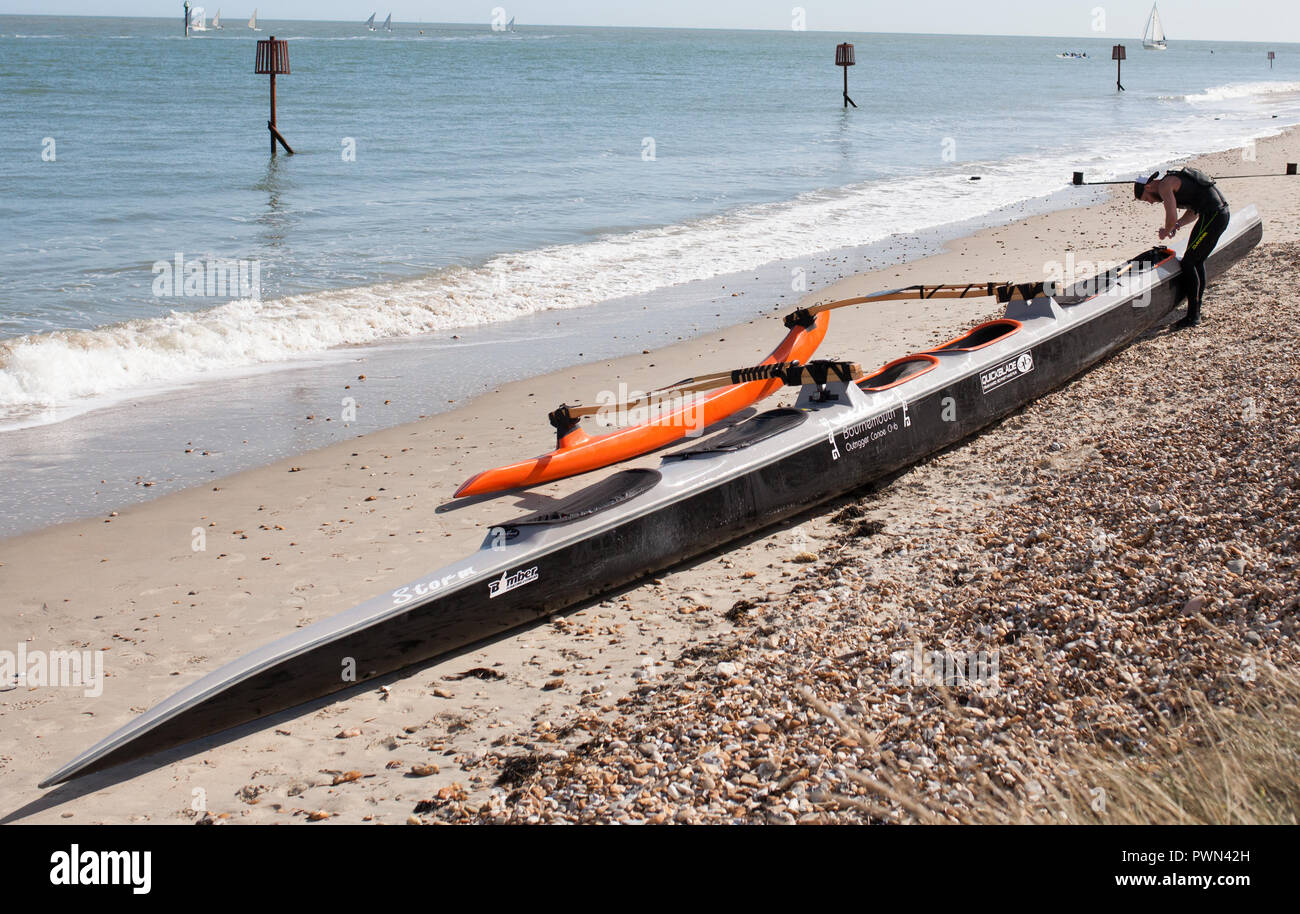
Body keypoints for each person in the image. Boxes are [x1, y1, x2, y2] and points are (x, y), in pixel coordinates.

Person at [1135, 167, 1230, 329]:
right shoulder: (1174, 182)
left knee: (1189, 263)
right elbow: (1193, 211)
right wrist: (1178, 225)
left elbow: (1171, 215)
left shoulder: (1165, 185)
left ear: (1148, 187)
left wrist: (1166, 230)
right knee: (1196, 261)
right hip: (1216, 215)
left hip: (1213, 216)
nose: (1150, 202)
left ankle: (1193, 316)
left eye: (1146, 199)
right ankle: (1195, 311)